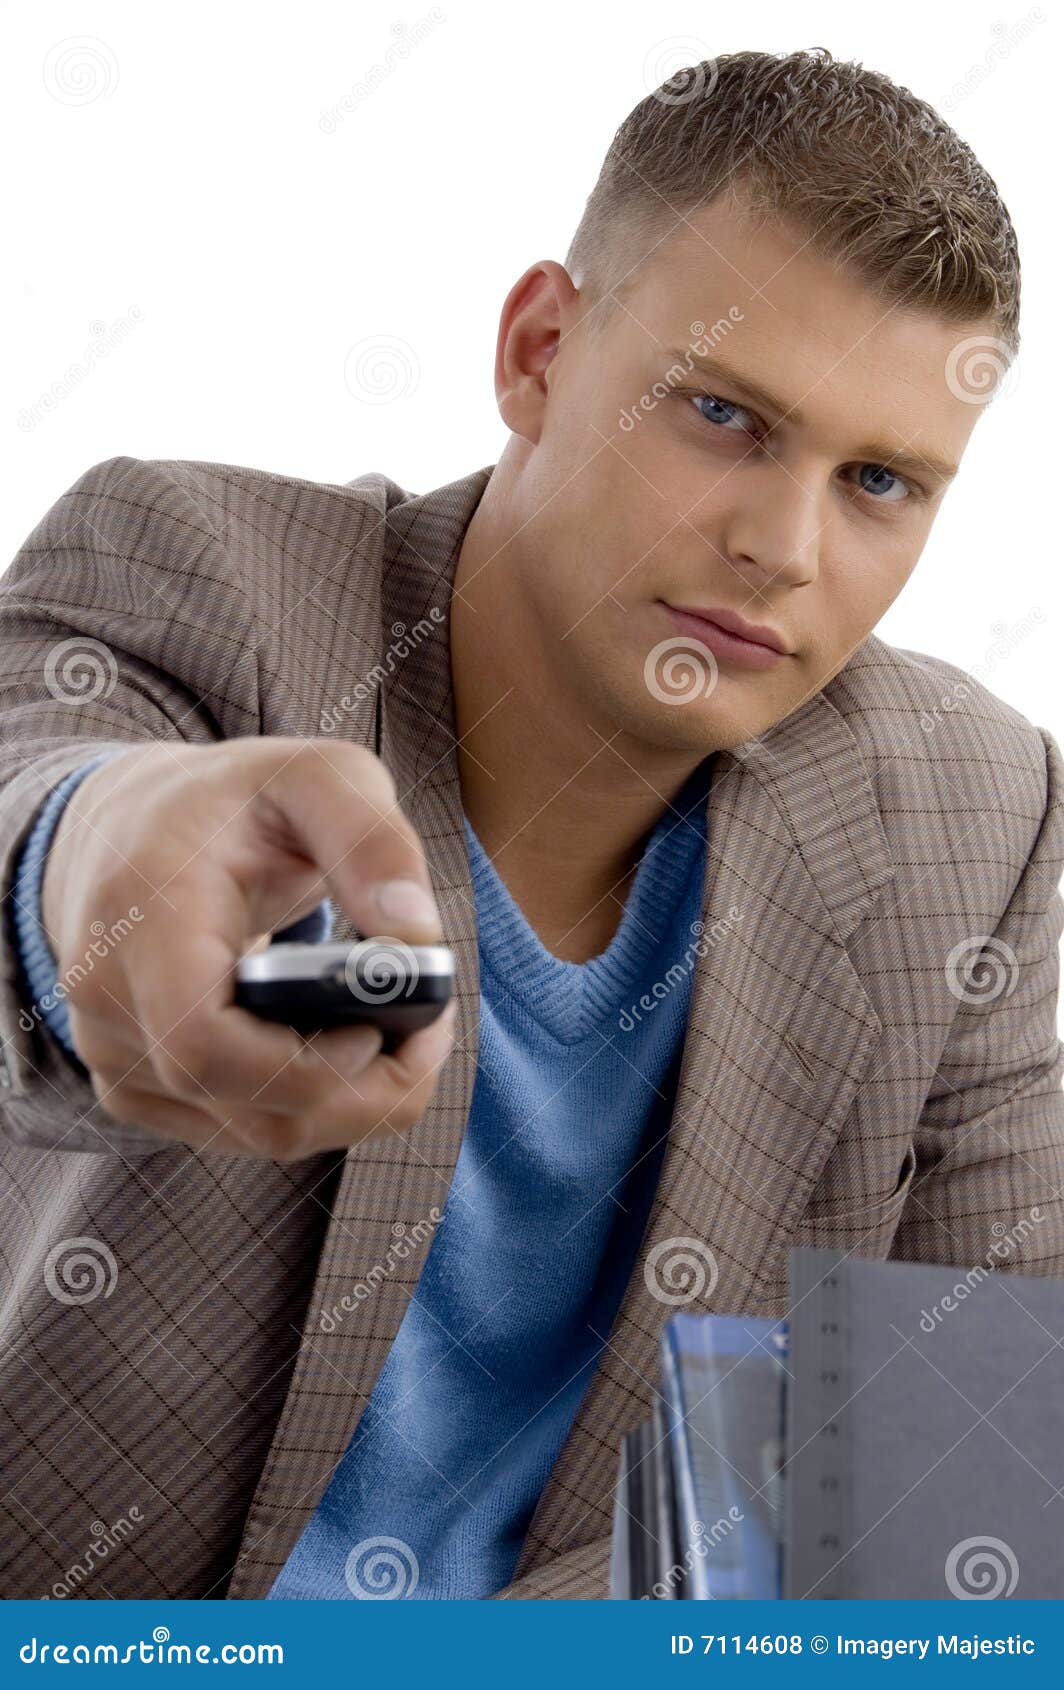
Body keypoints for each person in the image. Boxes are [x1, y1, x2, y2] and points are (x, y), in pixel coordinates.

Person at [0, 47, 1061, 1602]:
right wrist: (88, 864)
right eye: (722, 414)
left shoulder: (981, 816)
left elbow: (968, 1506)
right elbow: (37, 788)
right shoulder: (200, 571)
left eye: (882, 481)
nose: (782, 546)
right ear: (541, 350)